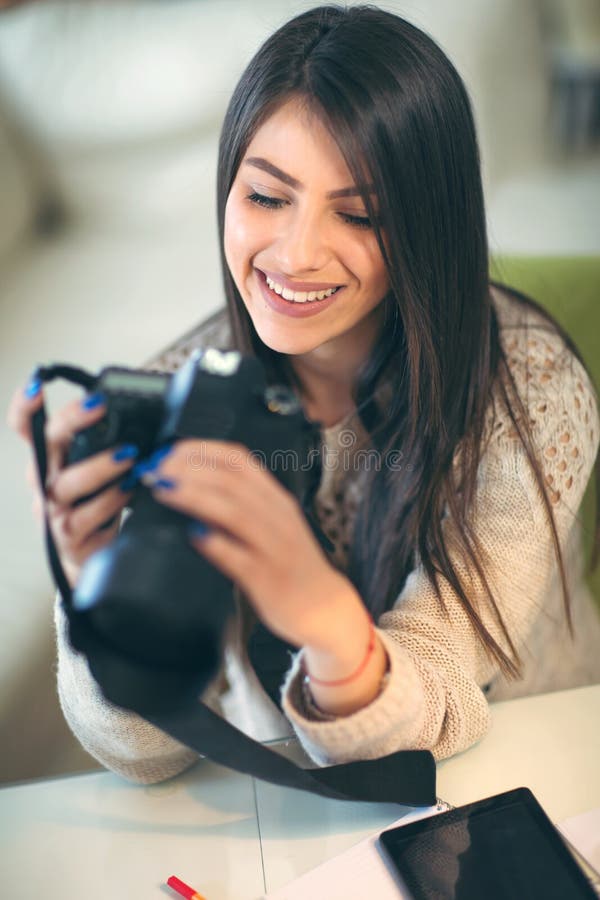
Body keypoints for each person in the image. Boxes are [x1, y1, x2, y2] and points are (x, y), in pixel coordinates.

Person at [8, 4, 600, 784]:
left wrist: (321, 618)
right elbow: (145, 757)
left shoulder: (529, 389)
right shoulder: (182, 399)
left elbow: (446, 682)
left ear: (426, 226)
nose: (295, 255)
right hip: (290, 792)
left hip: (529, 749)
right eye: (266, 197)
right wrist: (95, 589)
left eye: (357, 214)